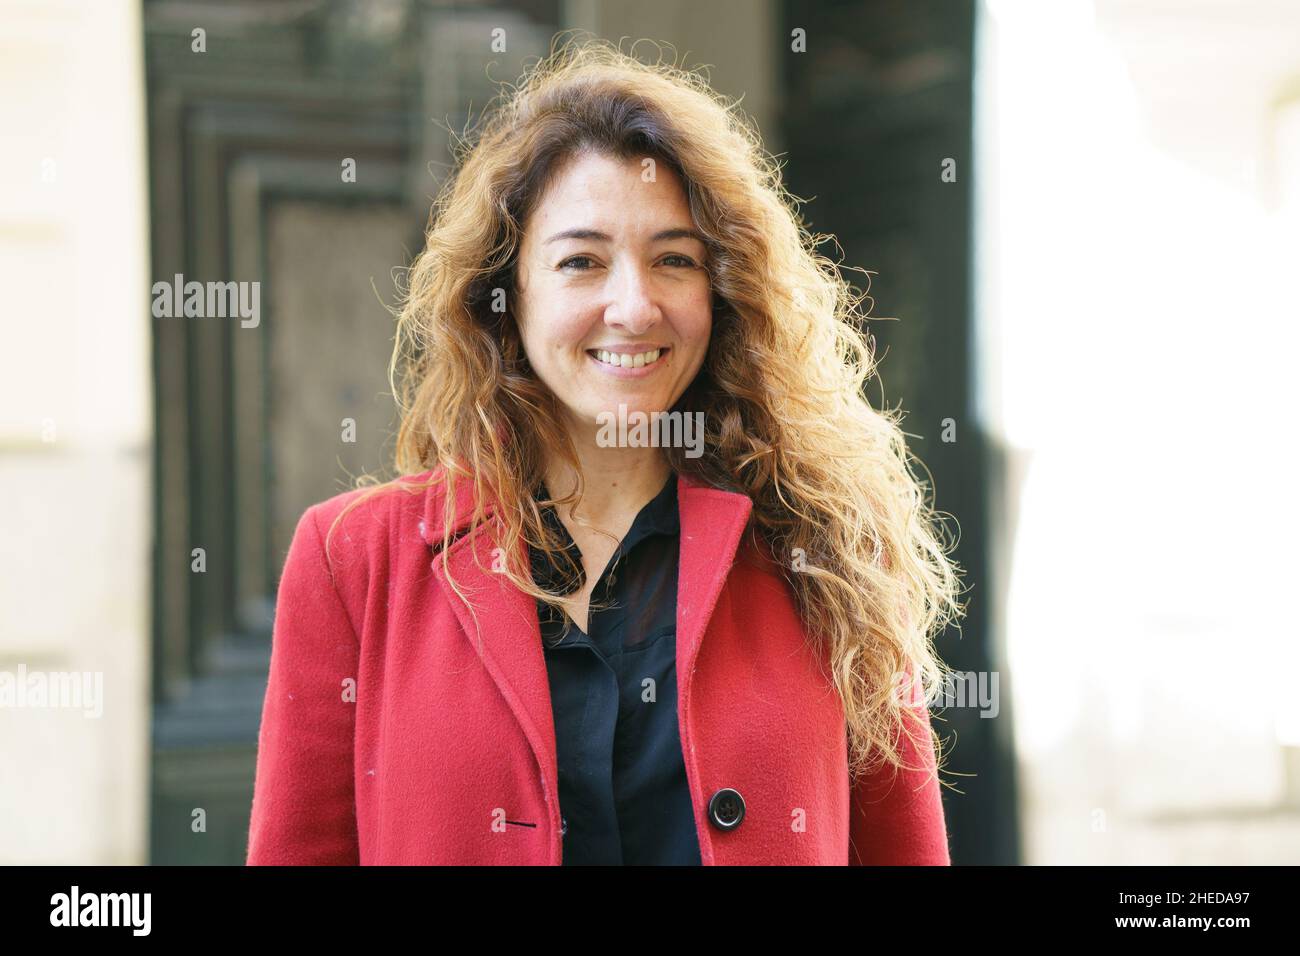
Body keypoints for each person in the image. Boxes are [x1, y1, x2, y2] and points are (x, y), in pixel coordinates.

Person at [246, 36, 964, 866]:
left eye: (674, 260)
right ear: (505, 294)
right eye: (581, 261)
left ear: (721, 289)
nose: (634, 306)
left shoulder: (834, 549)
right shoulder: (351, 562)